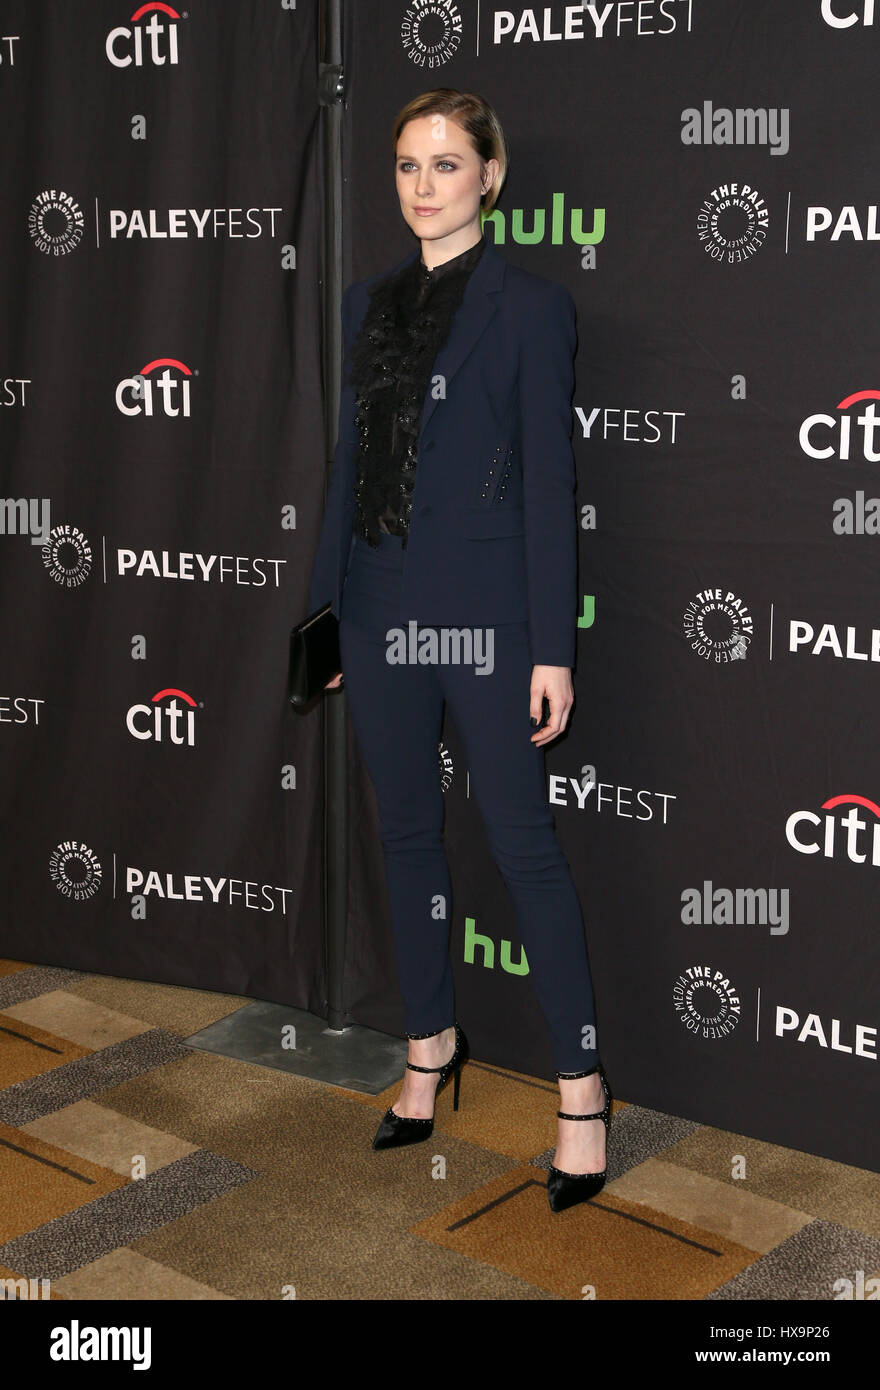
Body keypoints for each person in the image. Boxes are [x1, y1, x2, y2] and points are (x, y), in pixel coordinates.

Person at [308, 88, 611, 1213]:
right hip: (378, 606)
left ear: (490, 174)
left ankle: (580, 1090)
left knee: (522, 843)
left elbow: (548, 485)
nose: (421, 185)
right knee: (404, 835)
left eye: (443, 163)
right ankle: (429, 1043)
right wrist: (323, 611)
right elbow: (346, 474)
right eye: (404, 165)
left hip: (487, 621)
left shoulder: (531, 309)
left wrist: (549, 645)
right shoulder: (365, 305)